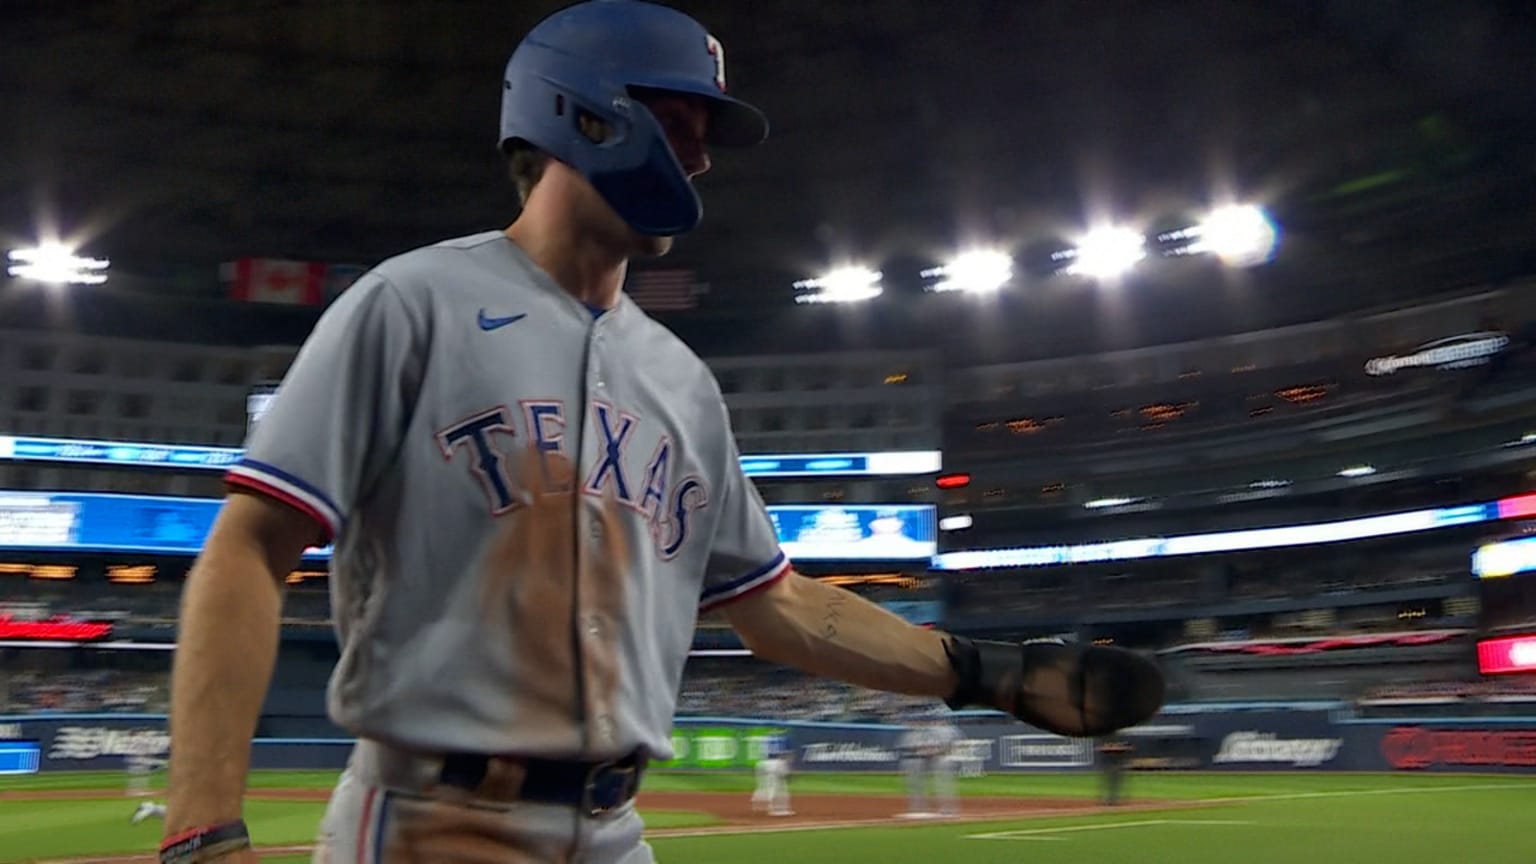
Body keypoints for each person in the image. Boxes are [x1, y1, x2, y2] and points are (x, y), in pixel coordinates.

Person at [160, 2, 1165, 862]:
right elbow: (249, 547)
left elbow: (776, 606)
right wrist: (204, 830)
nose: (698, 158)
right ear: (578, 110)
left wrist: (984, 673)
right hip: (429, 820)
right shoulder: (412, 304)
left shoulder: (679, 381)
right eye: (679, 120)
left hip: (616, 829)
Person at [750, 739, 793, 817]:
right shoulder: (779, 762)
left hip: (764, 780)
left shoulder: (761, 763)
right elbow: (784, 774)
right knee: (782, 794)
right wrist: (788, 779)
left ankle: (757, 807)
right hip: (776, 781)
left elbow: (755, 771)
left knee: (761, 791)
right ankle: (778, 810)